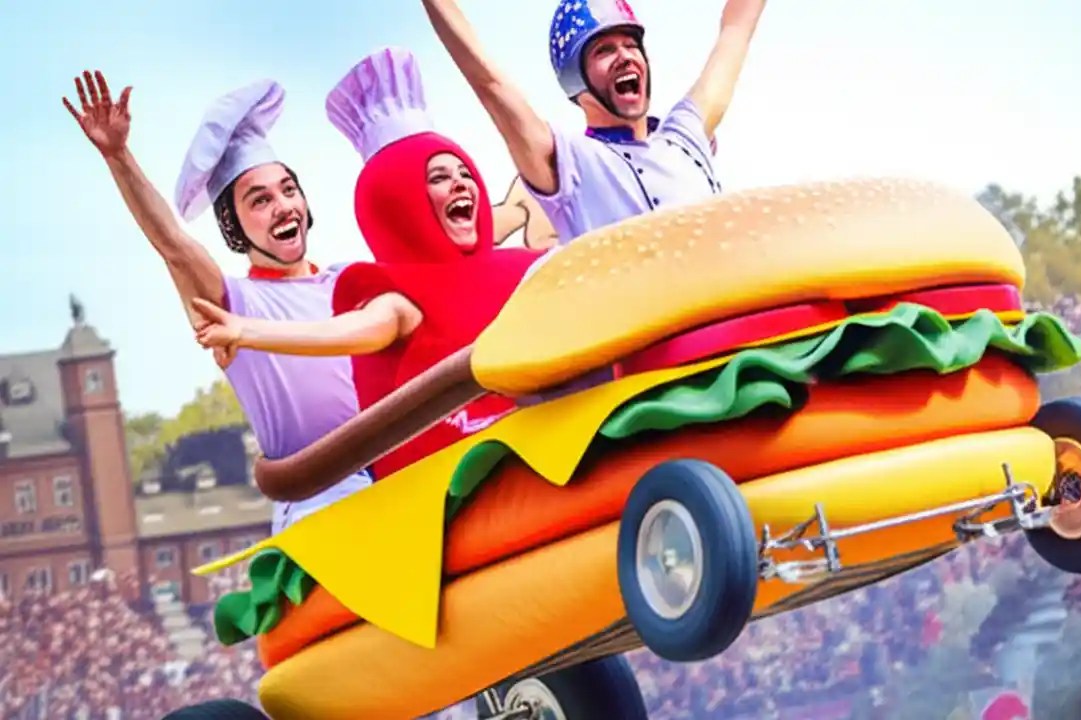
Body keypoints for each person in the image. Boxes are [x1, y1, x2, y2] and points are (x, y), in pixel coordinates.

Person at [191, 47, 540, 482]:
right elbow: (356, 330)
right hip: (451, 482)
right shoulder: (389, 292)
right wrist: (247, 331)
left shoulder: (525, 268)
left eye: (464, 171)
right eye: (436, 177)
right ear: (399, 204)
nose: (459, 182)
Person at [62, 70, 370, 533]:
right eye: (260, 201)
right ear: (233, 225)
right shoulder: (234, 304)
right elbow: (172, 245)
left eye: (289, 190)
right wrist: (118, 155)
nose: (284, 206)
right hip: (319, 510)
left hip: (401, 479)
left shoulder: (351, 282)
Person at [417, 0, 766, 246]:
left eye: (631, 45)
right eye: (604, 50)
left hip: (735, 333)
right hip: (650, 348)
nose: (625, 56)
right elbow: (488, 82)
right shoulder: (567, 161)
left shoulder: (685, 134)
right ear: (576, 80)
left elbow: (735, 30)